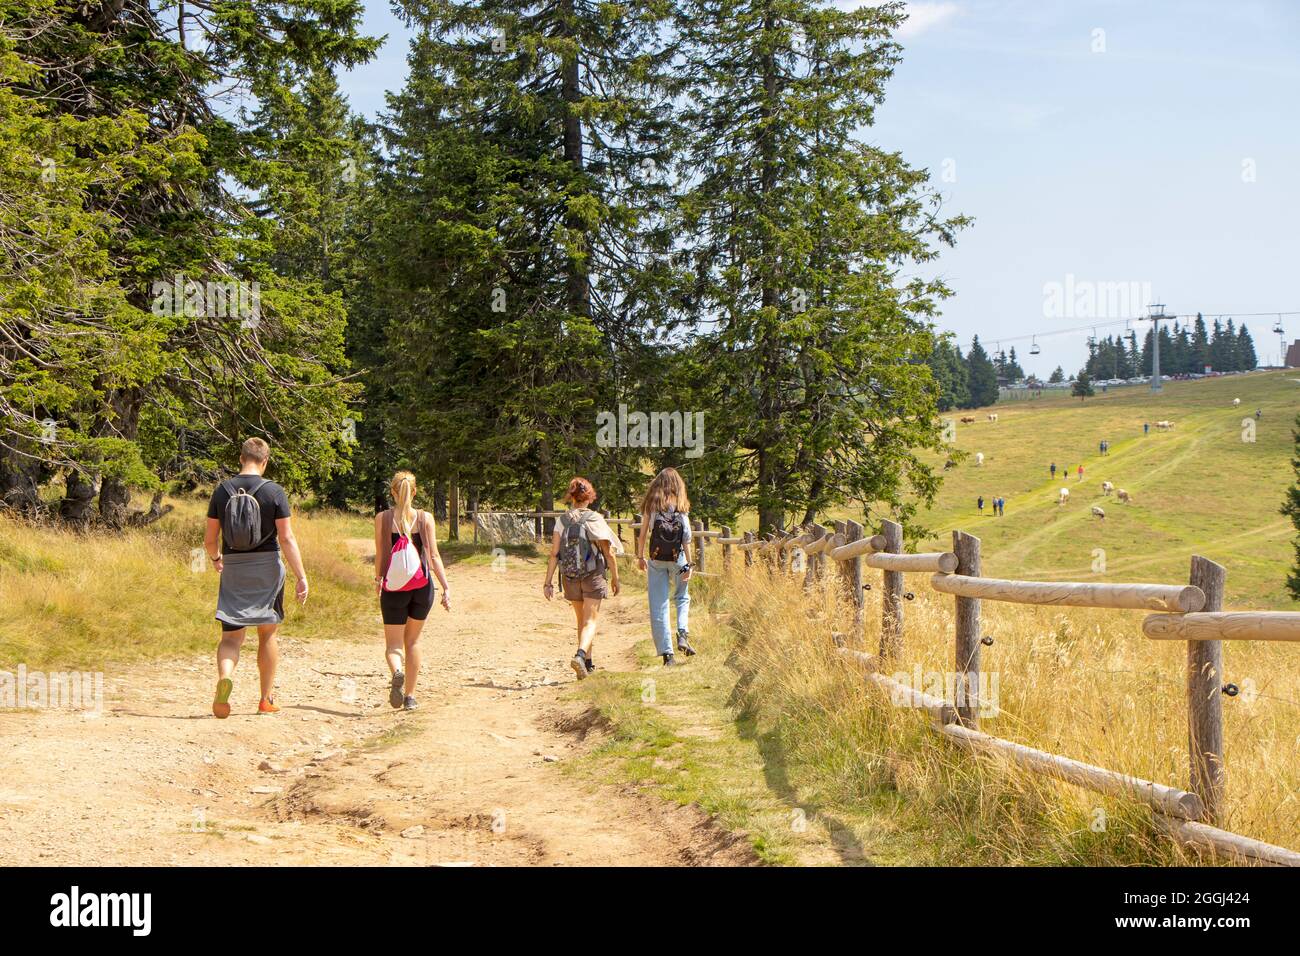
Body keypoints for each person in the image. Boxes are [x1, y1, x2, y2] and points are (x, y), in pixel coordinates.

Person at [204, 438, 308, 718]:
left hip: (234, 567)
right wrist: (301, 575)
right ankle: (265, 698)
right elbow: (286, 538)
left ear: (241, 458)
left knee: (231, 637)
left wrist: (217, 560)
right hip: (267, 568)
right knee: (267, 633)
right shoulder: (274, 492)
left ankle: (225, 677)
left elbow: (210, 539)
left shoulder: (221, 491)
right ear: (265, 461)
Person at [375, 471, 451, 711]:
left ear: (393, 492)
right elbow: (434, 555)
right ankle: (410, 696)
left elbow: (382, 554)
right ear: (415, 491)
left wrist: (378, 579)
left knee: (394, 646)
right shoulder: (424, 518)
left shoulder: (383, 518)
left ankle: (397, 671)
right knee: (414, 641)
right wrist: (446, 587)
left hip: (394, 587)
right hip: (422, 586)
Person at [544, 477, 622, 679]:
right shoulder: (595, 519)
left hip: (569, 576)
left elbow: (554, 553)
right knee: (591, 621)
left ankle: (588, 663)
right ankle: (580, 656)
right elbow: (609, 553)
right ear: (589, 497)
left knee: (581, 621)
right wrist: (615, 578)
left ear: (571, 497)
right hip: (592, 575)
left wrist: (548, 582)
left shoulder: (562, 521)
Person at [636, 467, 695, 666]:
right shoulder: (680, 504)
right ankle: (682, 634)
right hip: (678, 558)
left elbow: (643, 534)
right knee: (682, 596)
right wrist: (689, 564)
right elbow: (686, 538)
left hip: (656, 558)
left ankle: (667, 655)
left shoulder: (652, 505)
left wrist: (640, 557)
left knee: (658, 603)